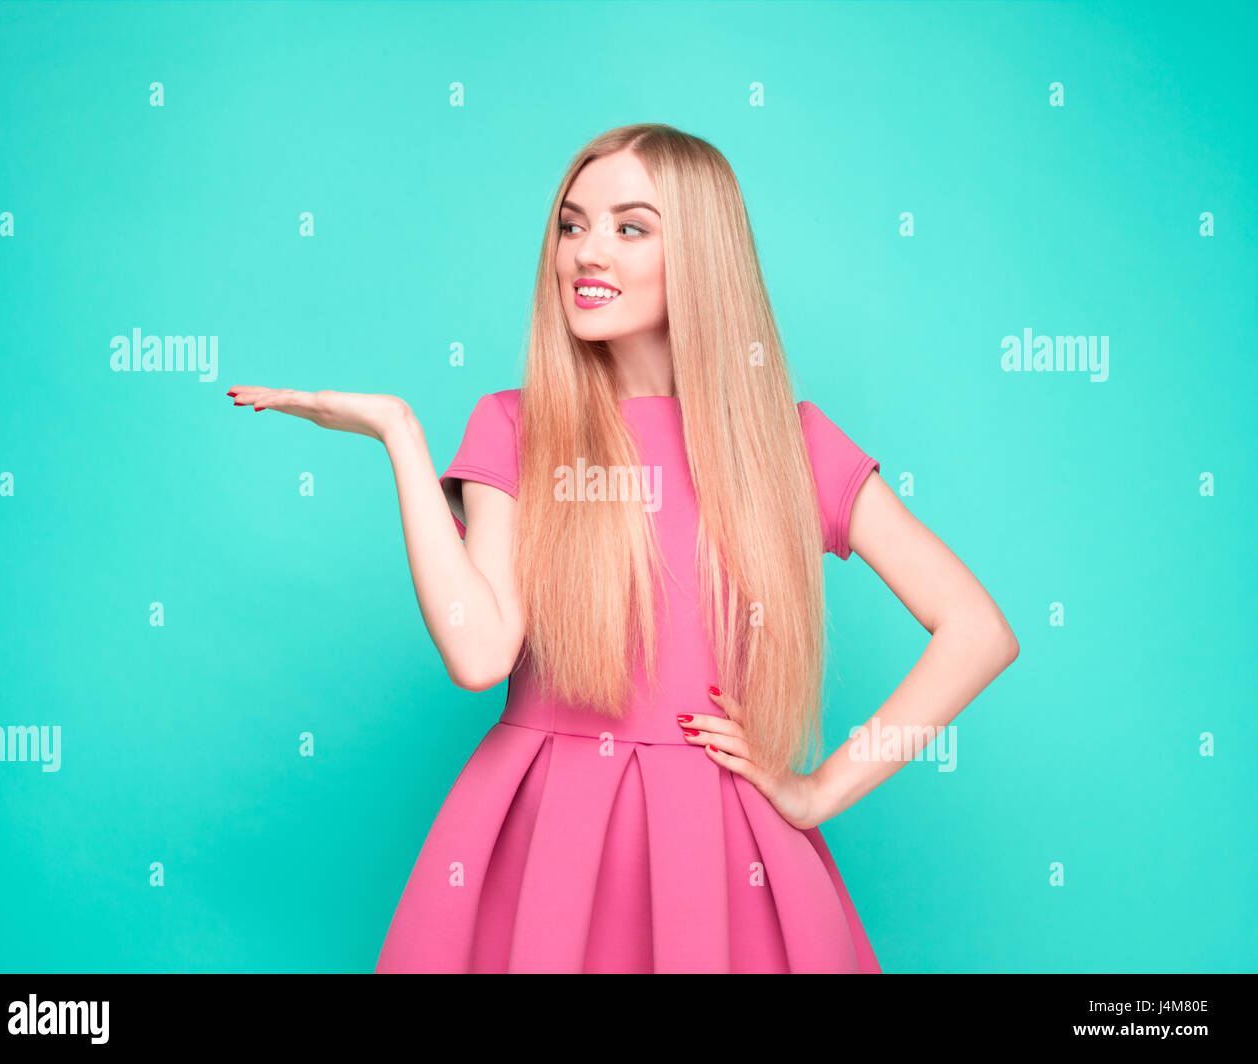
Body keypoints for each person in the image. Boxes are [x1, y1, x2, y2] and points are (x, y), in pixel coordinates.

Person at [226, 123, 1019, 973]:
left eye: (629, 227)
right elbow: (478, 651)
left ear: (703, 256)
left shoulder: (788, 447)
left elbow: (978, 631)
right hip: (539, 843)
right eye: (572, 226)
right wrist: (399, 433)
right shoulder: (514, 426)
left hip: (726, 853)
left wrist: (821, 790)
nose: (586, 254)